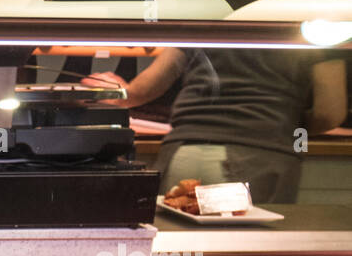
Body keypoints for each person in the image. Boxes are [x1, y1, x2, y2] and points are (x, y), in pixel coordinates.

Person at [87, 48, 346, 202]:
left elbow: (139, 92)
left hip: (182, 154)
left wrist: (110, 88)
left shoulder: (210, 12)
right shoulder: (314, 23)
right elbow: (329, 113)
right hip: (259, 159)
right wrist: (292, 127)